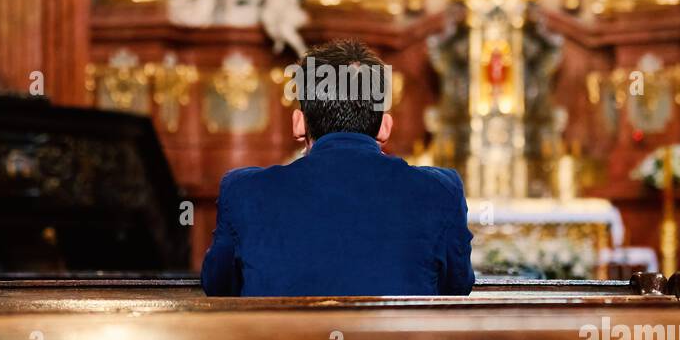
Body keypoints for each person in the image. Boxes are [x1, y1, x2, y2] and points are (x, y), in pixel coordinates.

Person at [201, 39, 475, 297]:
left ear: (299, 124)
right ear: (384, 127)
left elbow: (218, 286)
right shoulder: (439, 191)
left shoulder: (244, 191)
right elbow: (457, 288)